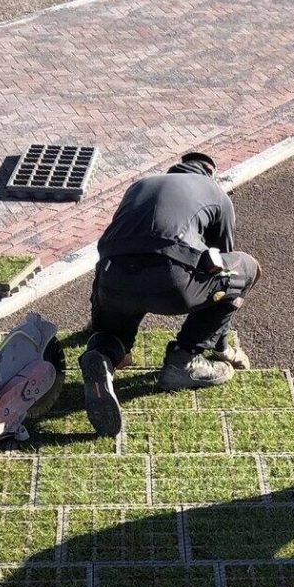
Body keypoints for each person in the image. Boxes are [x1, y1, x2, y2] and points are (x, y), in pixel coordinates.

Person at [78, 151, 261, 436]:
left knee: (132, 268)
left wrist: (98, 318)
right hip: (171, 283)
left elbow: (123, 239)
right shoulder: (216, 194)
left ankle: (105, 351)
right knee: (246, 267)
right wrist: (221, 345)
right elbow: (223, 265)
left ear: (175, 169)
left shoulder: (141, 186)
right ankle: (184, 360)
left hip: (112, 280)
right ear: (208, 173)